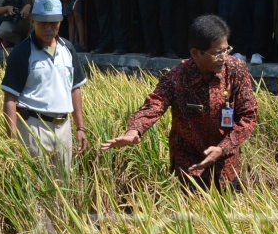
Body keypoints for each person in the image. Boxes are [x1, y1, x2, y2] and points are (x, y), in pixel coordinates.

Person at [101, 15, 257, 190]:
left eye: (226, 50)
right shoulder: (177, 77)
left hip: (225, 163)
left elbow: (248, 116)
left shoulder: (236, 70)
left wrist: (223, 148)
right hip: (189, 165)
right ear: (195, 53)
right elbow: (154, 104)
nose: (223, 57)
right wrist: (133, 130)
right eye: (216, 53)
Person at [0, 0, 87, 179]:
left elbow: (75, 89)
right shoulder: (22, 53)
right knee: (36, 185)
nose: (48, 27)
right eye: (43, 22)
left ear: (60, 22)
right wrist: (13, 142)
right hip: (34, 127)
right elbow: (10, 99)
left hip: (64, 127)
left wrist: (80, 127)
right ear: (33, 21)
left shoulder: (68, 49)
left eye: (53, 22)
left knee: (64, 185)